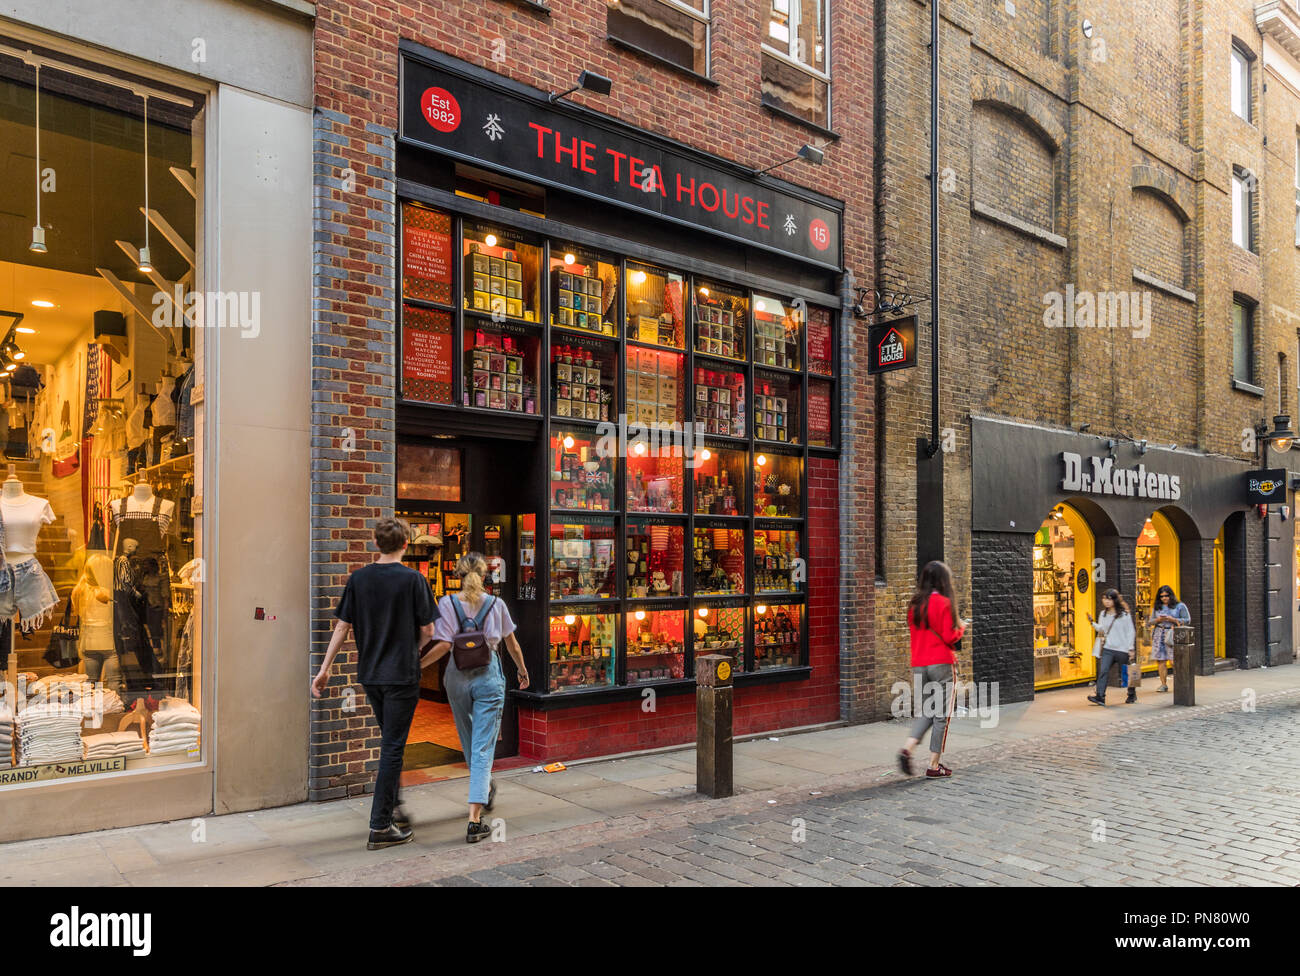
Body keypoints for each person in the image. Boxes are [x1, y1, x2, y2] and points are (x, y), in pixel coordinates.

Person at [311, 517, 436, 850]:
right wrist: (411, 650)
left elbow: (341, 628)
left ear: (376, 543)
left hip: (370, 675)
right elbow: (429, 631)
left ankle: (394, 807)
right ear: (406, 544)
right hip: (402, 675)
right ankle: (380, 825)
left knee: (389, 741)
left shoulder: (359, 579)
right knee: (393, 748)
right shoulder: (414, 580)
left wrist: (324, 669)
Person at [421, 552, 530, 843]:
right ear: (484, 576)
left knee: (470, 740)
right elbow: (512, 644)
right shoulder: (497, 604)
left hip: (456, 678)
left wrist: (416, 666)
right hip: (488, 678)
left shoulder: (446, 603)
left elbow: (444, 646)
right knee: (482, 747)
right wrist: (522, 670)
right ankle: (474, 819)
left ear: (457, 574)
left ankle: (483, 786)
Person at [898, 560, 967, 778]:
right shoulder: (944, 603)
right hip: (941, 663)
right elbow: (949, 636)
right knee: (941, 716)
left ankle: (907, 748)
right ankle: (934, 765)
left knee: (927, 711)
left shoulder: (914, 604)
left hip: (919, 664)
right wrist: (961, 628)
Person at [1087, 588, 1135, 706]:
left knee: (1128, 672)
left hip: (1122, 649)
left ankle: (1132, 694)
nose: (1106, 602)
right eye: (1104, 599)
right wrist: (1092, 623)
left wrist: (1131, 648)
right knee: (1103, 671)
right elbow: (1102, 630)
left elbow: (1130, 631)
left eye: (1109, 599)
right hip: (1108, 648)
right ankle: (1100, 696)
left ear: (1115, 600)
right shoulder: (1103, 614)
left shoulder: (1124, 615)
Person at [1147, 585, 1189, 693]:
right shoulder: (1157, 607)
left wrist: (1173, 619)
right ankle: (1163, 684)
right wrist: (1157, 620)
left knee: (1174, 660)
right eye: (1162, 596)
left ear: (1171, 595)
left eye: (1166, 595)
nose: (1164, 598)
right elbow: (1150, 622)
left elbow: (1187, 620)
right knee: (1161, 660)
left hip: (1172, 634)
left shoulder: (1180, 606)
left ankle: (1181, 683)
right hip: (1159, 633)